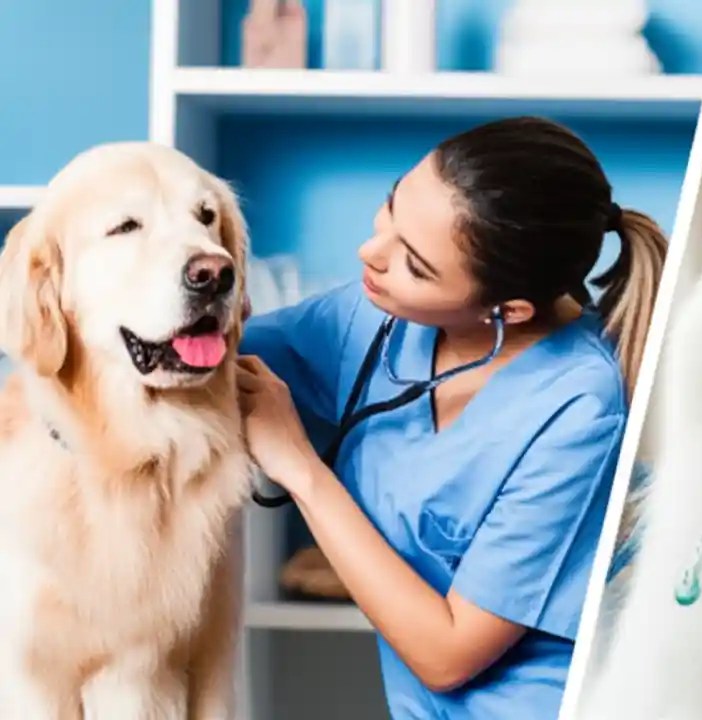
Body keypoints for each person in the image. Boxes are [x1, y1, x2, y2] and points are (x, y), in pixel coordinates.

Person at [233, 116, 667, 719]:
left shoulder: (581, 411)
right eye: (390, 209)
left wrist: (300, 469)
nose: (370, 253)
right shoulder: (375, 316)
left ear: (507, 310)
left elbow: (448, 654)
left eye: (414, 263)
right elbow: (216, 369)